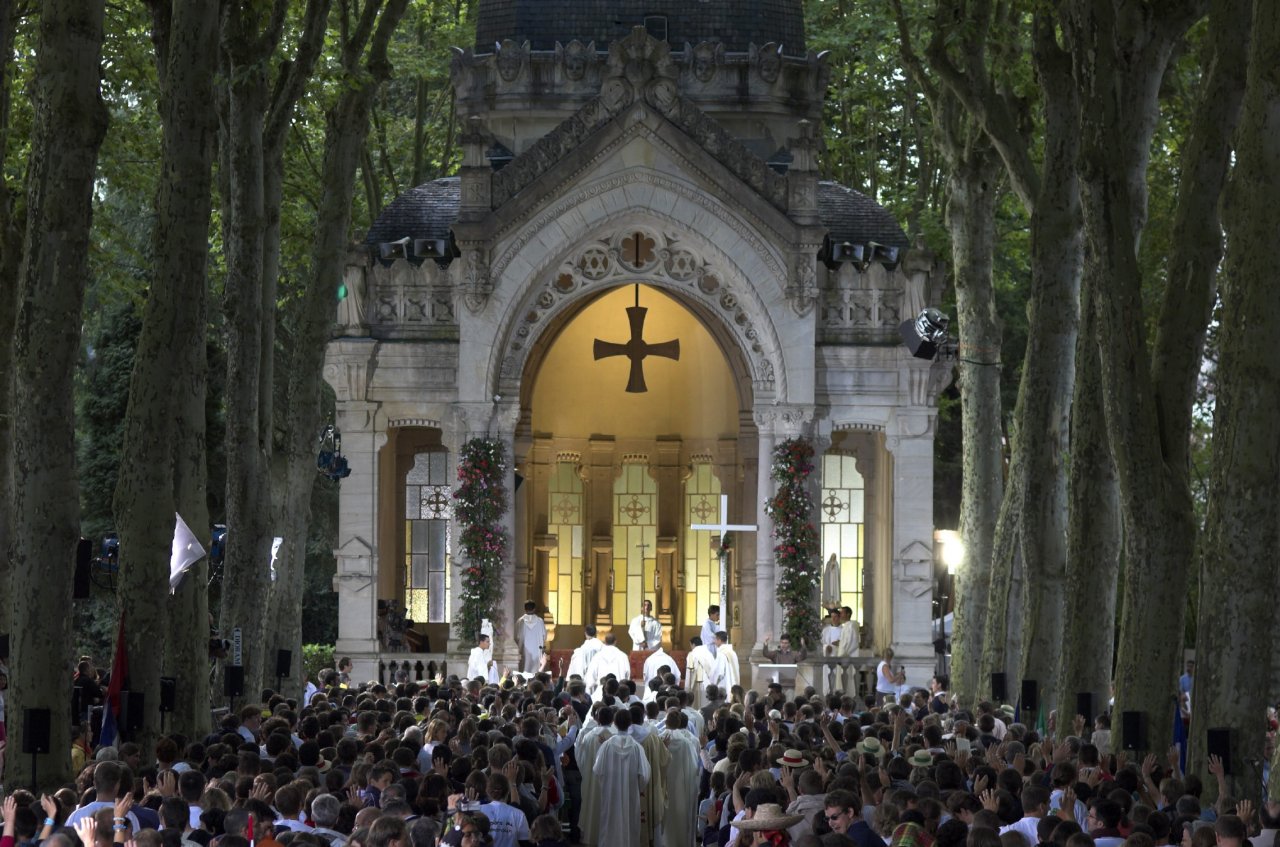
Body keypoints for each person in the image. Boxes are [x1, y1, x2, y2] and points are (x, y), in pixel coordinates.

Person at [592, 709, 651, 847]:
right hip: (630, 794)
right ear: (630, 723)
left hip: (610, 794)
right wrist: (637, 787)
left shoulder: (606, 746)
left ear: (615, 723)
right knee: (630, 825)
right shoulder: (637, 748)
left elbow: (597, 771)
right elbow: (644, 775)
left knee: (609, 824)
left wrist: (606, 783)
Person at [660, 709, 701, 847]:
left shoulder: (659, 739)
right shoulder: (686, 743)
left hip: (663, 787)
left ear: (665, 722)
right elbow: (694, 768)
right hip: (681, 788)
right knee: (680, 820)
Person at [515, 602, 547, 675]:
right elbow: (544, 636)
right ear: (534, 609)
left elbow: (516, 637)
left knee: (524, 672)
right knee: (536, 673)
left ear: (525, 609)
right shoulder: (540, 621)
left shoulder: (520, 621)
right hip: (537, 653)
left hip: (524, 652)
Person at [685, 637, 717, 709]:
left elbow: (689, 673)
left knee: (697, 706)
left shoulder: (691, 655)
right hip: (708, 684)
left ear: (693, 644)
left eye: (690, 645)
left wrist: (687, 689)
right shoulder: (710, 654)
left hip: (696, 685)